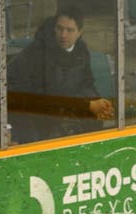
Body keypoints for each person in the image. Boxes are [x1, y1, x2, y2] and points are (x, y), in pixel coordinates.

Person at [7, 6, 114, 144]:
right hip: (30, 111)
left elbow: (86, 83)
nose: (63, 35)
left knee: (94, 120)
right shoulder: (39, 52)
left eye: (69, 30)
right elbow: (49, 94)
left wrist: (99, 102)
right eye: (59, 28)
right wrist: (87, 105)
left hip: (62, 107)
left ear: (80, 32)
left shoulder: (81, 52)